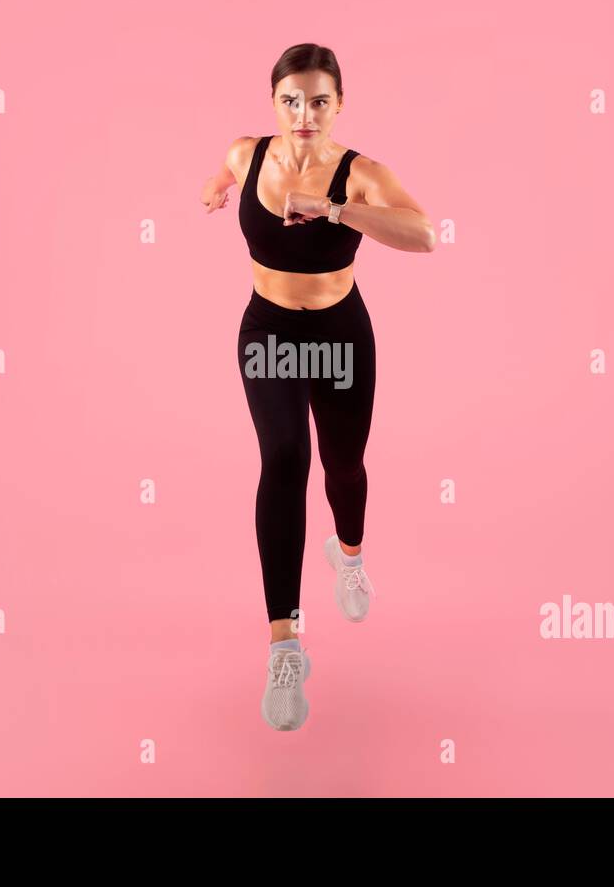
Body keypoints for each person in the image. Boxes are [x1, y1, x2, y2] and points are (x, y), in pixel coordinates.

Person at [200, 44, 435, 730]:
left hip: (340, 336)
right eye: (291, 100)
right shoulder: (248, 154)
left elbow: (424, 234)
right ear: (274, 102)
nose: (305, 113)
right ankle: (286, 645)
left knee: (342, 466)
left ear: (339, 104)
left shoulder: (360, 174)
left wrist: (331, 210)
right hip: (267, 331)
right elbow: (222, 171)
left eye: (320, 101)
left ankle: (350, 555)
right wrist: (215, 188)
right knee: (283, 461)